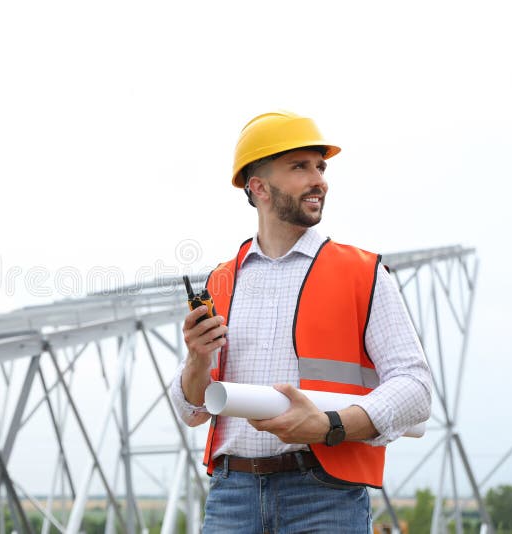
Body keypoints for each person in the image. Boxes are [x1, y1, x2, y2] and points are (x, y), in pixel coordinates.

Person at [170, 110, 432, 533]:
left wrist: (329, 425)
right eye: (300, 167)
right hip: (231, 495)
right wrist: (197, 361)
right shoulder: (220, 280)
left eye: (321, 166)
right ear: (259, 188)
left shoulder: (363, 273)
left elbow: (415, 389)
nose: (319, 180)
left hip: (325, 493)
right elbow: (191, 410)